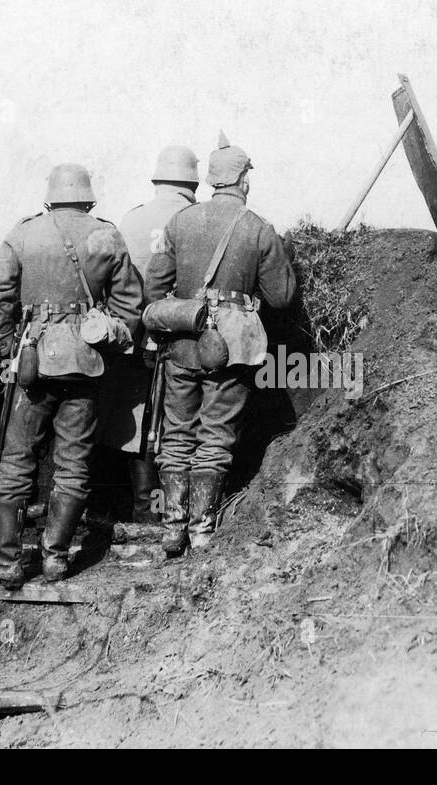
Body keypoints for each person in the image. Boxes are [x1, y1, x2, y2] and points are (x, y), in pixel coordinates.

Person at [0, 163, 143, 588]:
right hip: (86, 363)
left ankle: (9, 561)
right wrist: (105, 335)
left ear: (50, 196)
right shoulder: (106, 235)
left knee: (15, 461)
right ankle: (55, 559)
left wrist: (4, 349)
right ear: (88, 197)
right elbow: (130, 306)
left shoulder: (23, 233)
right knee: (73, 463)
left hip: (32, 361)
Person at [143, 132, 295, 555]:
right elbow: (282, 297)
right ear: (243, 179)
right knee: (214, 438)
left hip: (182, 341)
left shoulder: (179, 222)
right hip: (231, 344)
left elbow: (155, 287)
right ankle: (203, 532)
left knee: (175, 435)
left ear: (212, 180)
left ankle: (173, 529)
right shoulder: (259, 228)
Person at [89, 145, 201, 526]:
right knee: (171, 425)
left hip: (130, 337)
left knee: (130, 421)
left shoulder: (130, 219)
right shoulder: (192, 219)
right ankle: (155, 509)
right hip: (180, 337)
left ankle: (122, 508)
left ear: (157, 180)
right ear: (193, 182)